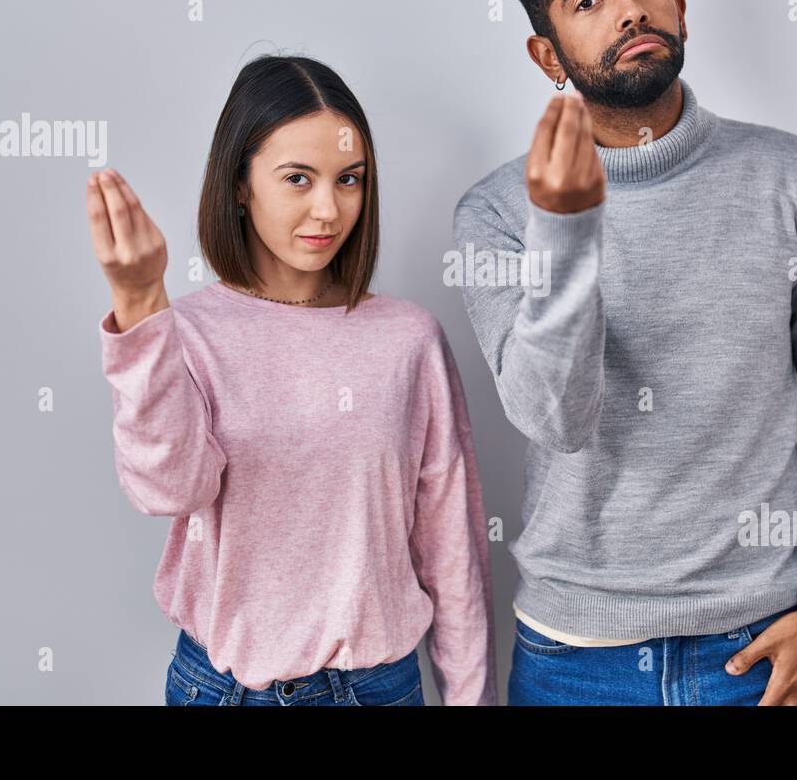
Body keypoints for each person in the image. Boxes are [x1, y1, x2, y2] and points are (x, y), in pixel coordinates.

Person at [452, 0, 797, 705]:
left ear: (680, 7)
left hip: (756, 645)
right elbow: (557, 417)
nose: (628, 9)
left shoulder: (789, 177)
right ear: (548, 55)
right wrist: (570, 228)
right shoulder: (500, 213)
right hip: (574, 660)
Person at [87, 54, 496, 706]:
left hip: (376, 689)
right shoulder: (184, 333)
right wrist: (139, 304)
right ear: (242, 185)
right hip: (219, 689)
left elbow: (453, 554)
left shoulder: (408, 340)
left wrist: (471, 700)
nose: (328, 209)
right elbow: (168, 488)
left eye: (349, 179)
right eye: (298, 179)